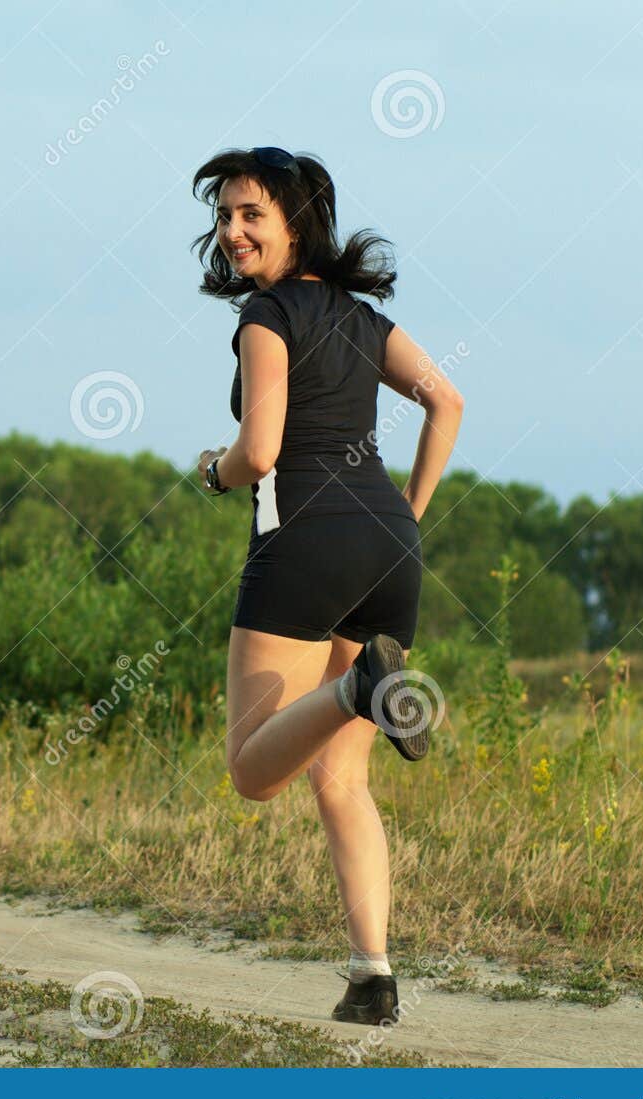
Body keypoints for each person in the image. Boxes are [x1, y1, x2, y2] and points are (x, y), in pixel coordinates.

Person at [190, 146, 465, 1027]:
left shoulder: (268, 315)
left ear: (295, 223)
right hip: (389, 545)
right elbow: (448, 402)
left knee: (251, 770)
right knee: (342, 780)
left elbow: (261, 451)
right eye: (225, 217)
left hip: (303, 539)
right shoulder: (361, 318)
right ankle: (373, 977)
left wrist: (212, 473)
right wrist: (408, 519)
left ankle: (359, 686)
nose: (231, 233)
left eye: (250, 216)